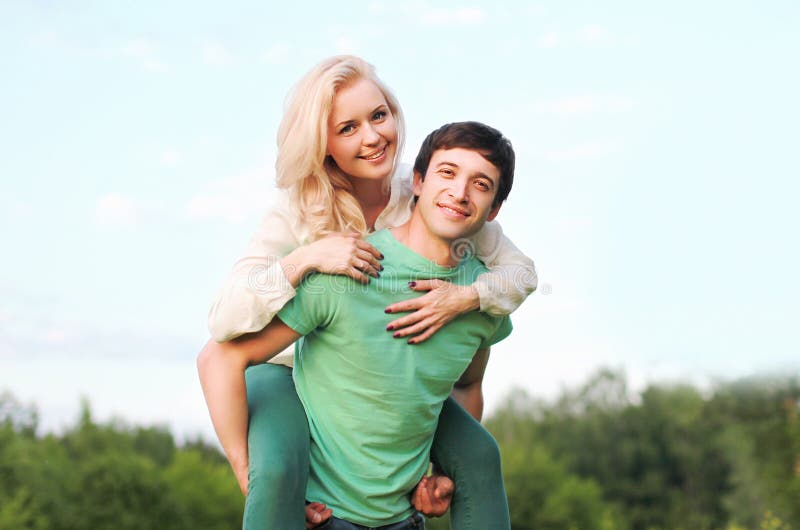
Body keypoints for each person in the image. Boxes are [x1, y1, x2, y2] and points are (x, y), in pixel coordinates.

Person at [203, 56, 536, 529]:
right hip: (292, 370)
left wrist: (462, 299)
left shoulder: (432, 194)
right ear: (324, 145)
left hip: (393, 380)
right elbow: (223, 323)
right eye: (348, 127)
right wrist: (305, 258)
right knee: (275, 471)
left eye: (379, 116)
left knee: (480, 454)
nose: (373, 136)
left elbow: (521, 274)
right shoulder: (296, 213)